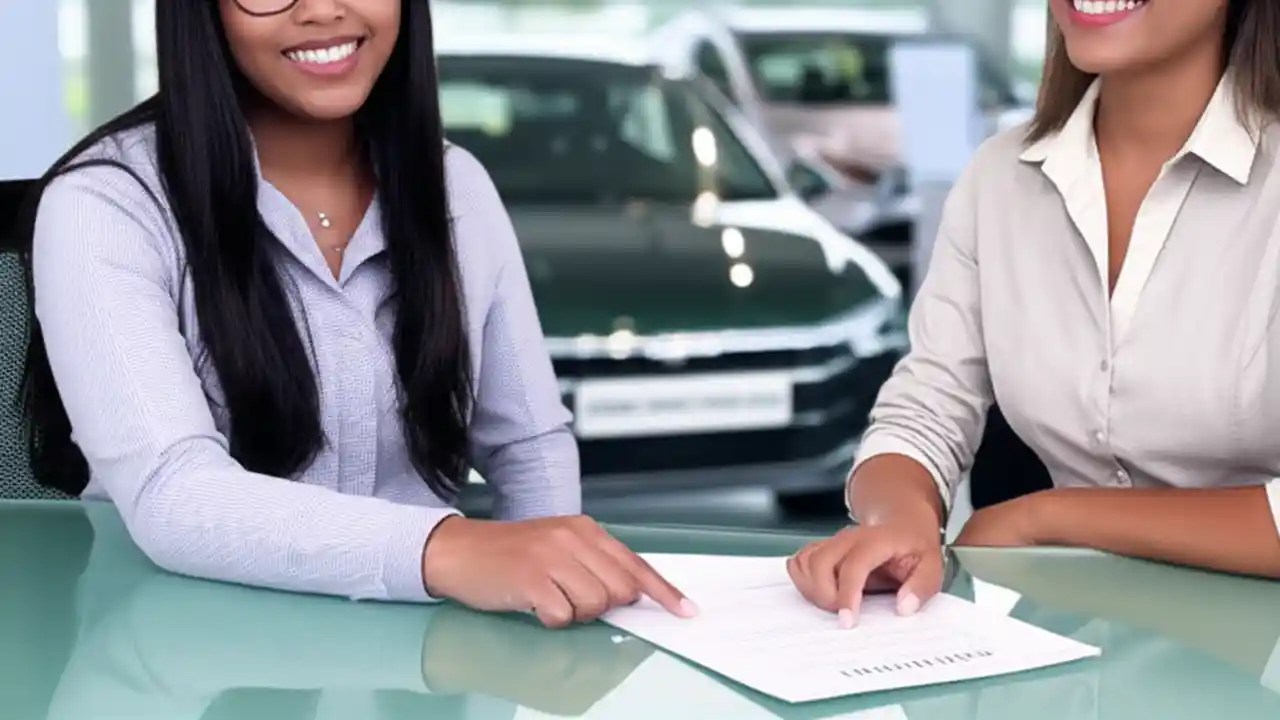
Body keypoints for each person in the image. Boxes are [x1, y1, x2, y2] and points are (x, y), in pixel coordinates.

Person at [22, 0, 696, 628]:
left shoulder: (456, 185)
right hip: (184, 650)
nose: (322, 9)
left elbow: (527, 444)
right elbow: (175, 493)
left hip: (419, 656)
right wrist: (448, 549)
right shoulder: (106, 205)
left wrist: (554, 599)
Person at [790, 0, 1280, 626]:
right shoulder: (999, 178)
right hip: (1064, 651)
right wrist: (903, 519)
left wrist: (1050, 515)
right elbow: (924, 410)